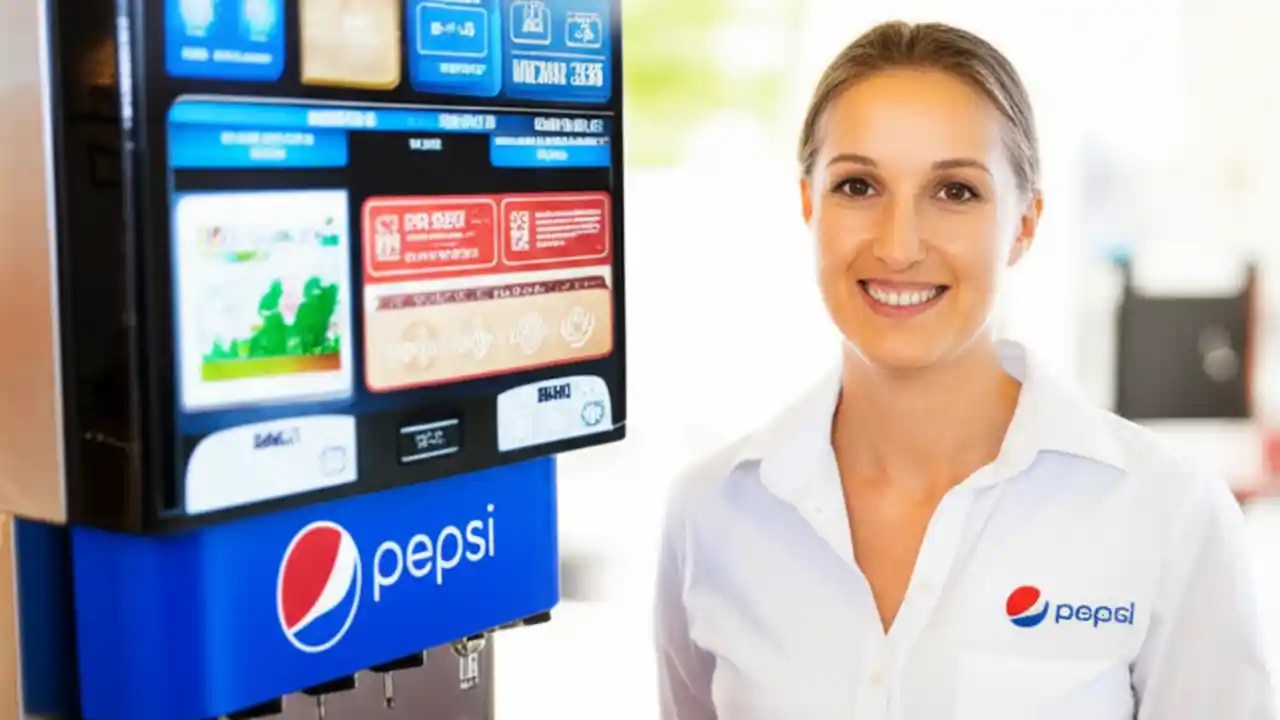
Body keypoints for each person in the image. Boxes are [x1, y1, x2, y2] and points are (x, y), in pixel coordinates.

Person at [653, 20, 1275, 720]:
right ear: (809, 205)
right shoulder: (711, 515)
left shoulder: (1169, 514)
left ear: (1025, 224)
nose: (899, 246)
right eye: (858, 185)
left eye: (954, 192)